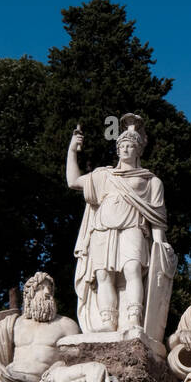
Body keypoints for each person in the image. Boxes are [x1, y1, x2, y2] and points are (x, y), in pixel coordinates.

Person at [67, 113, 169, 333]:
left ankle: (133, 317)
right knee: (103, 274)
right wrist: (72, 150)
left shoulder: (151, 181)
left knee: (132, 269)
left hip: (133, 227)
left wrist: (160, 246)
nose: (125, 149)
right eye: (122, 145)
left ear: (138, 150)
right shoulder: (104, 175)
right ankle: (107, 321)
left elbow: (157, 217)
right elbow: (73, 181)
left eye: (130, 146)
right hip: (102, 229)